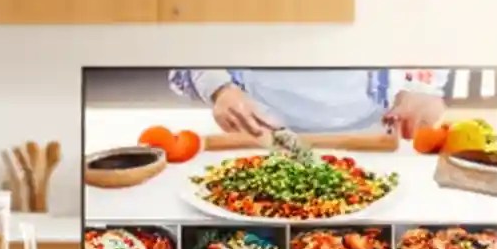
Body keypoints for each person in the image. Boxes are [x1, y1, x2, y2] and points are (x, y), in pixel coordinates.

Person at [169, 68, 449, 139]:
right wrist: (220, 88)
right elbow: (186, 29)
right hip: (257, 131)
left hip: (375, 131)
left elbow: (430, 13)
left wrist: (421, 85)